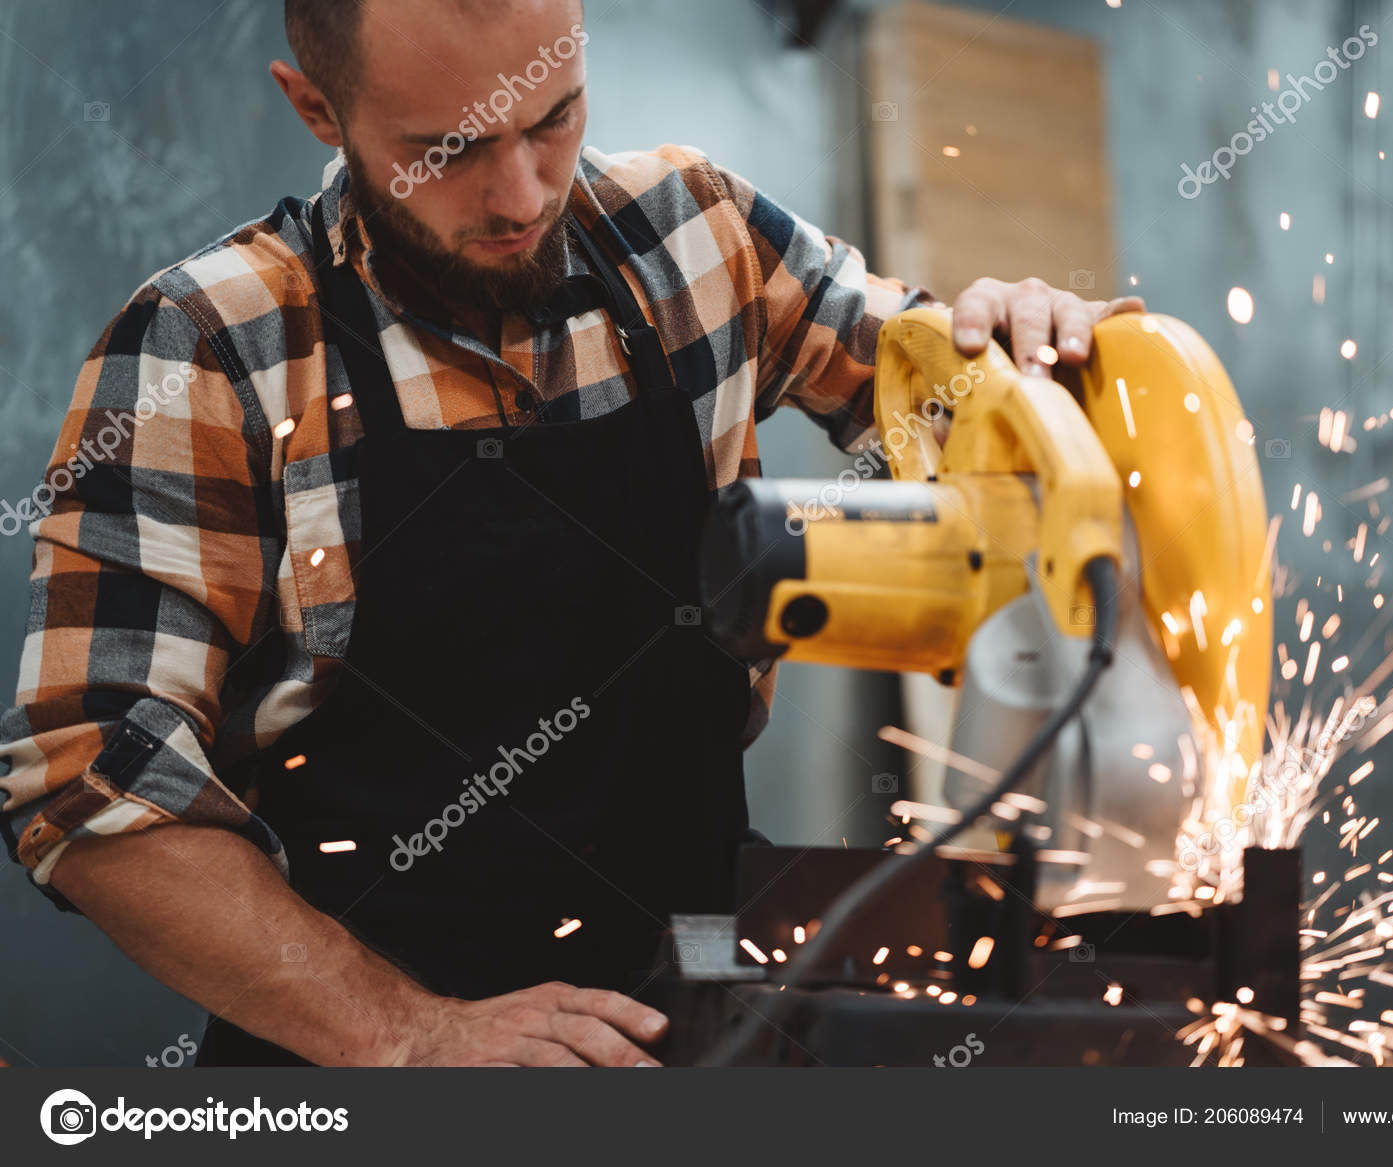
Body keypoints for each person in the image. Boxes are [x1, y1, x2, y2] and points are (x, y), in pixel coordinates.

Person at [0, 0, 1142, 1066]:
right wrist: (411, 1037)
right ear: (317, 108)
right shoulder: (213, 346)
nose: (519, 195)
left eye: (552, 119)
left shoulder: (698, 236)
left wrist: (1029, 368)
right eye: (447, 151)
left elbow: (943, 409)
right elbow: (91, 787)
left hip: (689, 1032)